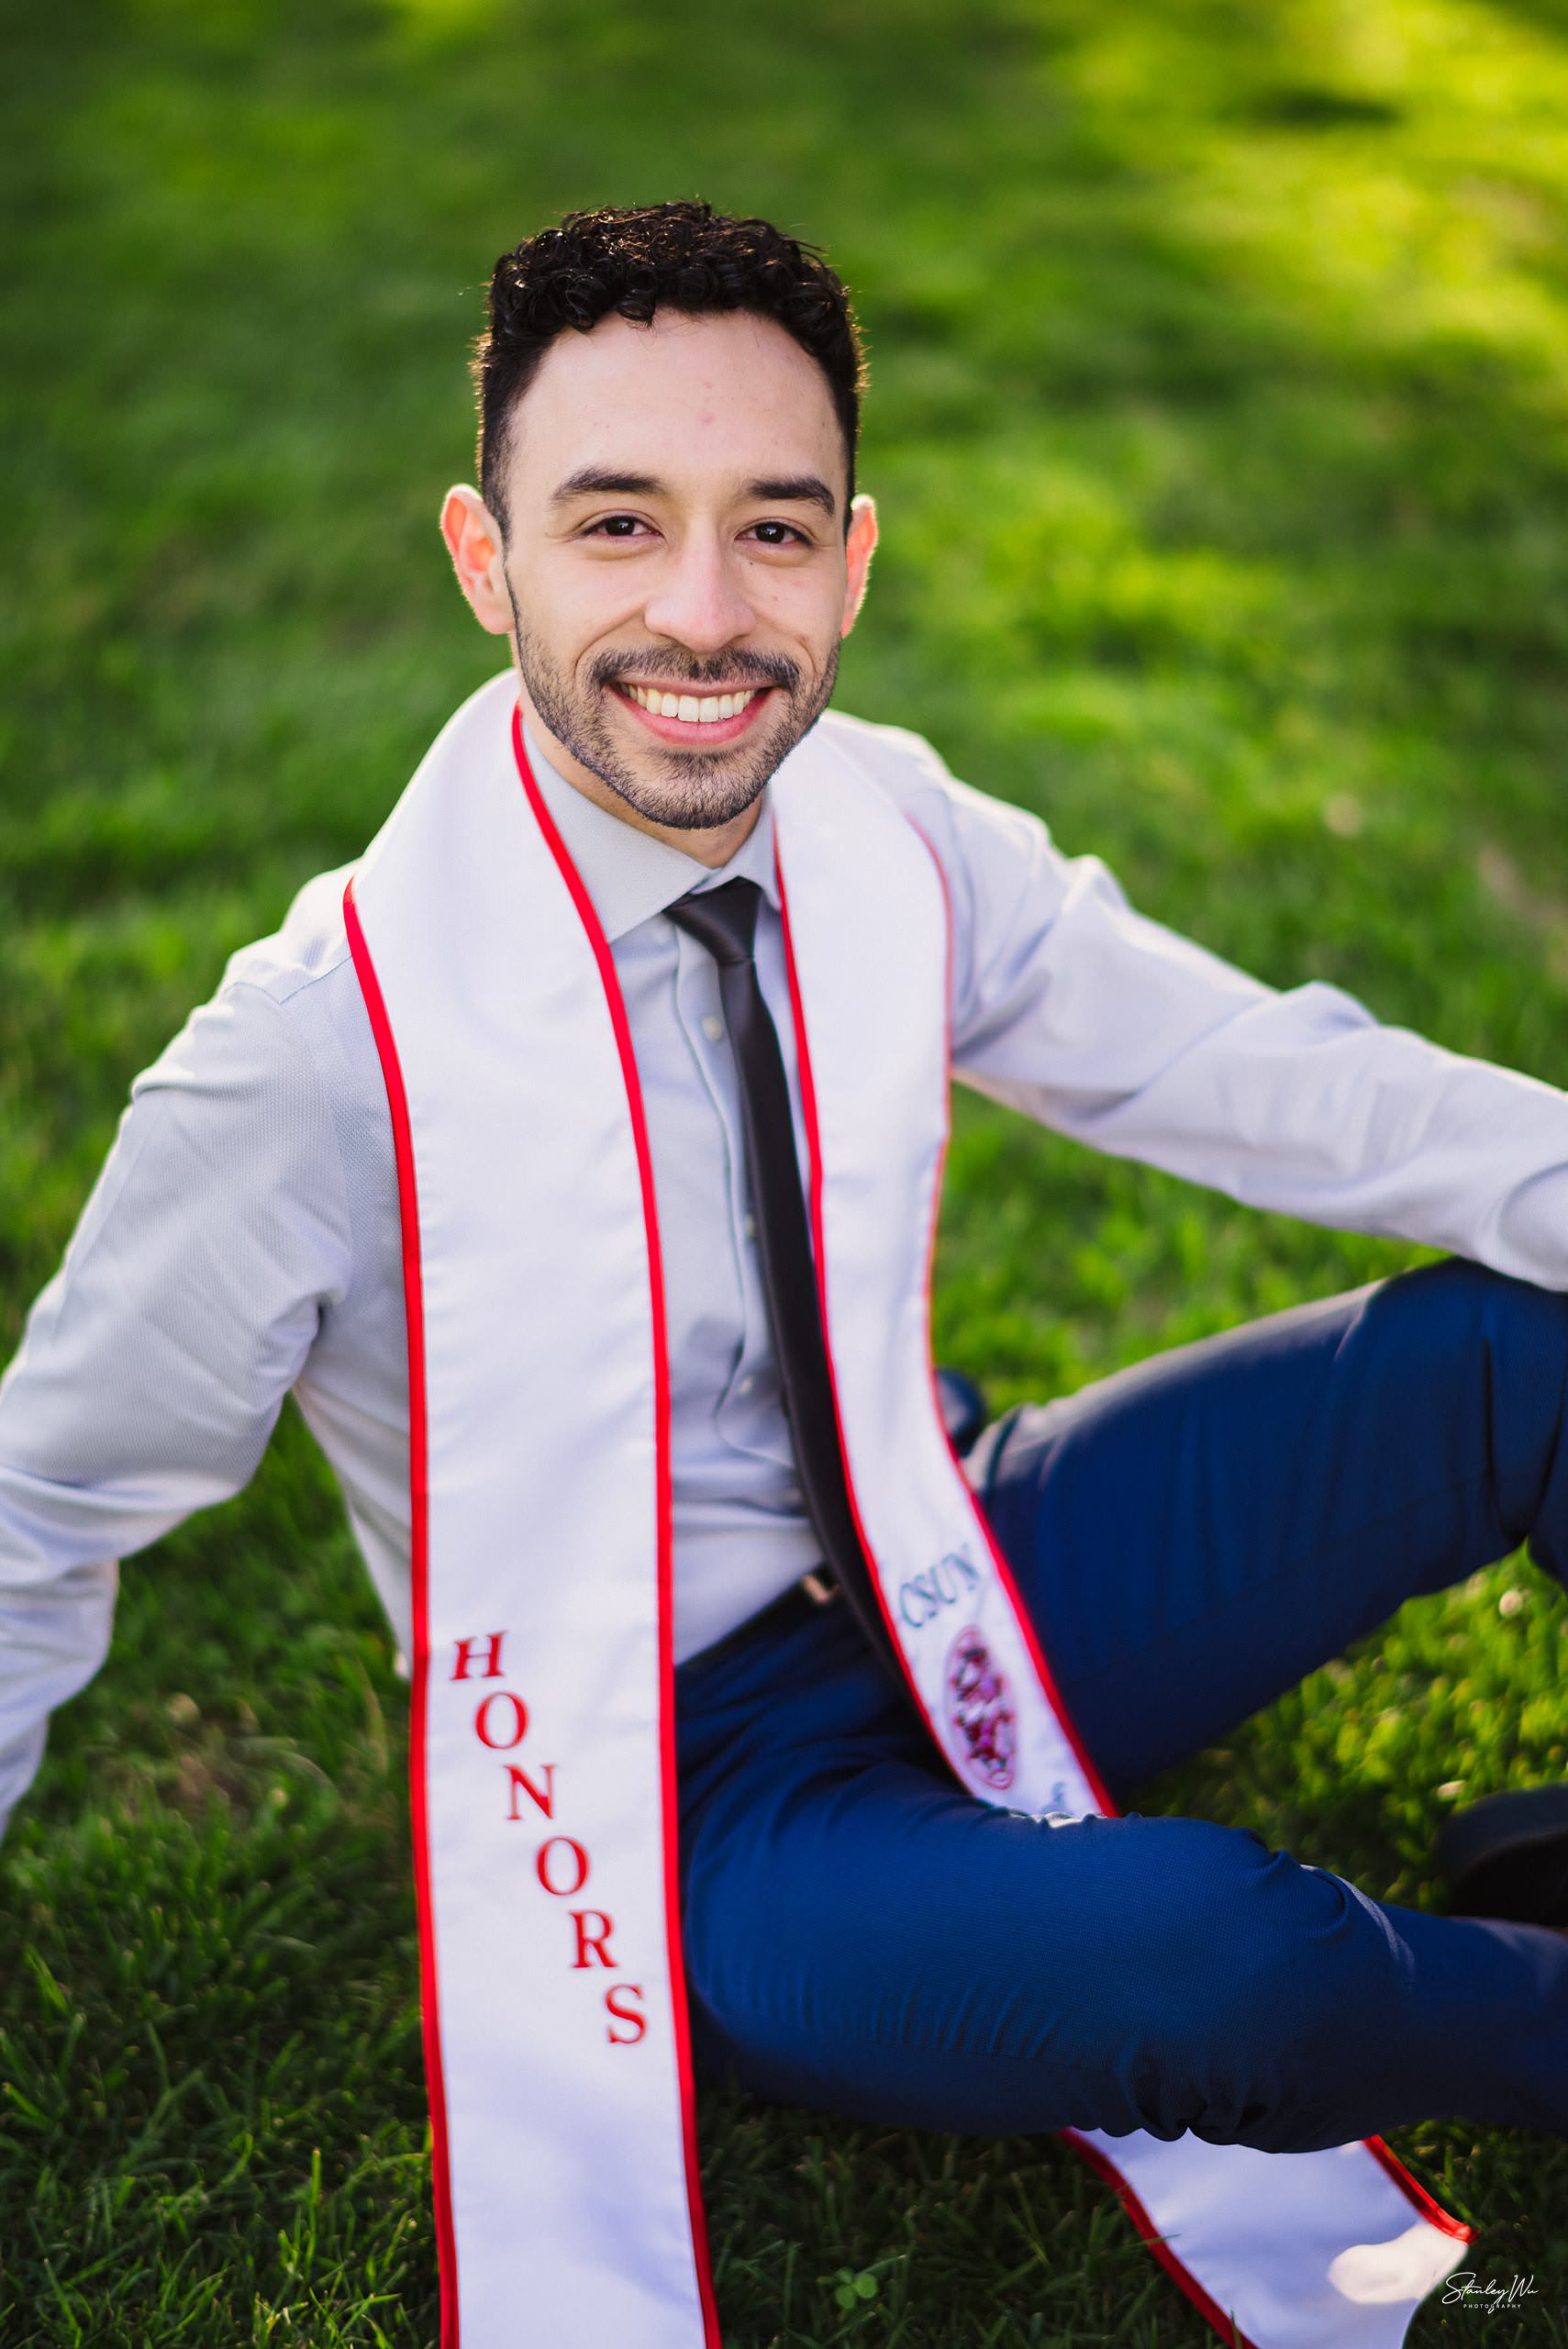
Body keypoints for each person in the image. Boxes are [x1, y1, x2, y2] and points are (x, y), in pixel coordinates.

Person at [2, 199, 1566, 2345]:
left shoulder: (885, 824)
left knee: (1534, 1348)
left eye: (772, 527)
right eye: (617, 523)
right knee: (1237, 1963)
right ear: (489, 559)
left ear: (852, 559)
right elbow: (44, 1498)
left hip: (966, 1548)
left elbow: (1242, 1069)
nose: (701, 612)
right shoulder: (310, 1062)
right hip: (684, 1778)